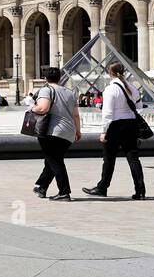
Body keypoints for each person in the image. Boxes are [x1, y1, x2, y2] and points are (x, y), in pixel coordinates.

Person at [83, 63, 147, 199]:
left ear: (109, 73)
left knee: (109, 159)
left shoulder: (110, 89)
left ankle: (102, 188)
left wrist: (104, 131)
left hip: (115, 126)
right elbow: (139, 106)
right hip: (131, 125)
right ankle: (140, 191)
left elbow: (107, 113)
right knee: (133, 159)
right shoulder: (132, 87)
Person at [29, 67, 81, 201]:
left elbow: (43, 108)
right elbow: (76, 115)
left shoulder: (46, 90)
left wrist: (32, 107)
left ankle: (64, 192)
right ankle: (42, 187)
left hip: (52, 131)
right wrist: (78, 130)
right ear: (60, 78)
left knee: (55, 161)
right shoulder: (70, 93)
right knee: (52, 160)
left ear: (46, 79)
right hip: (68, 132)